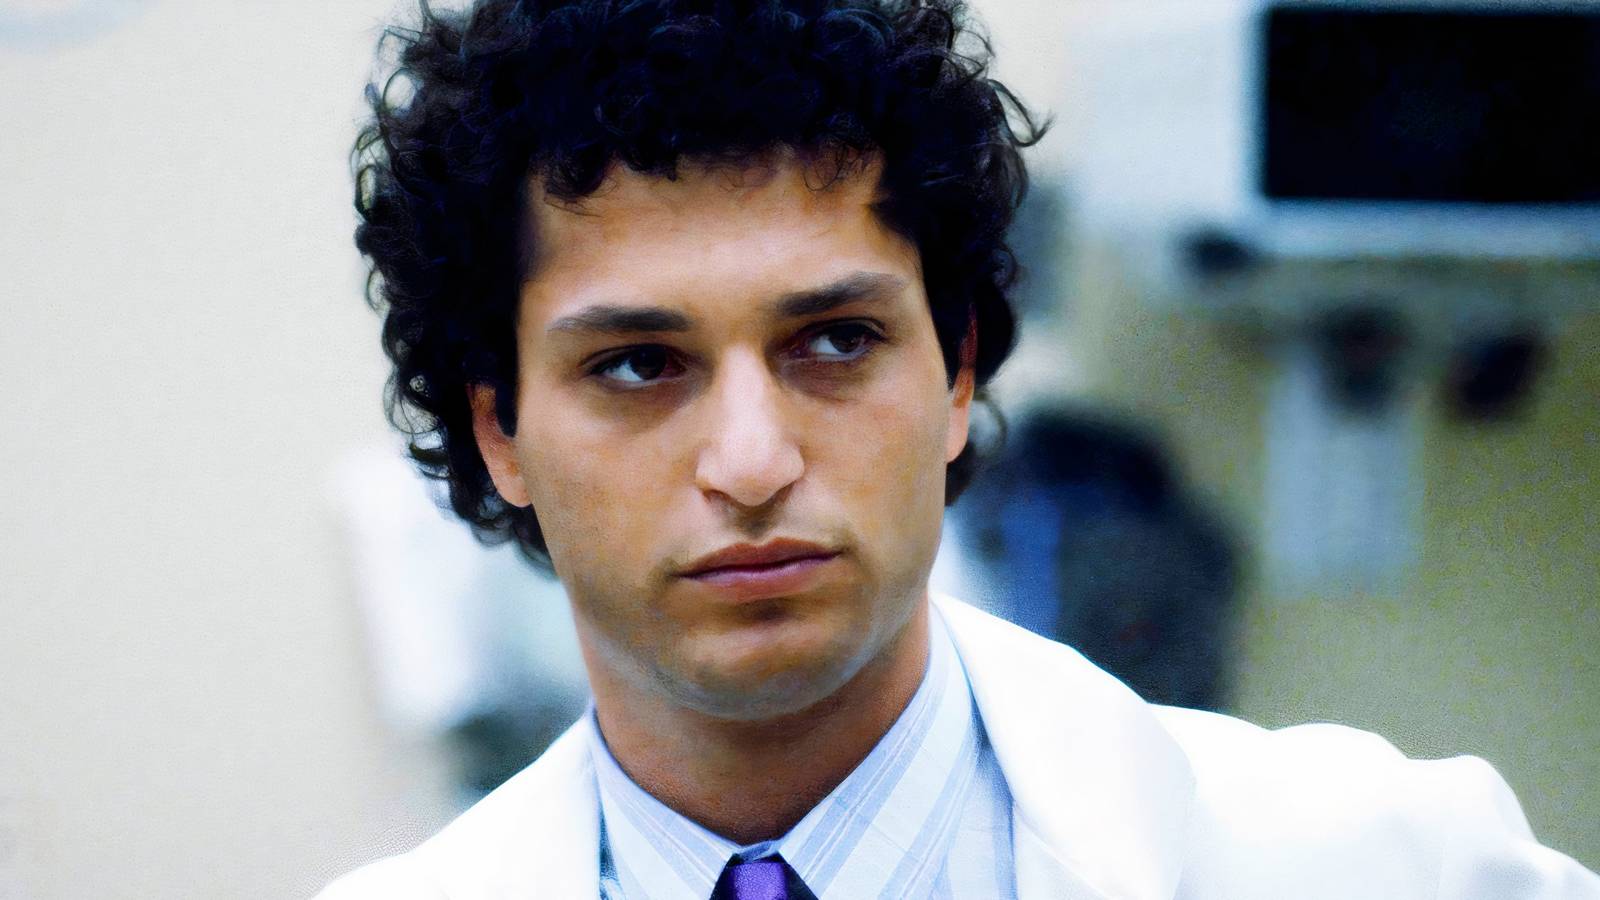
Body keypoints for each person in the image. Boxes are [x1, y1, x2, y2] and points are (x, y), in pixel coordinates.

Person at [320, 1, 1600, 896]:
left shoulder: (1385, 866)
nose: (751, 464)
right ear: (500, 431)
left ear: (957, 375)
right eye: (639, 365)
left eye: (833, 342)